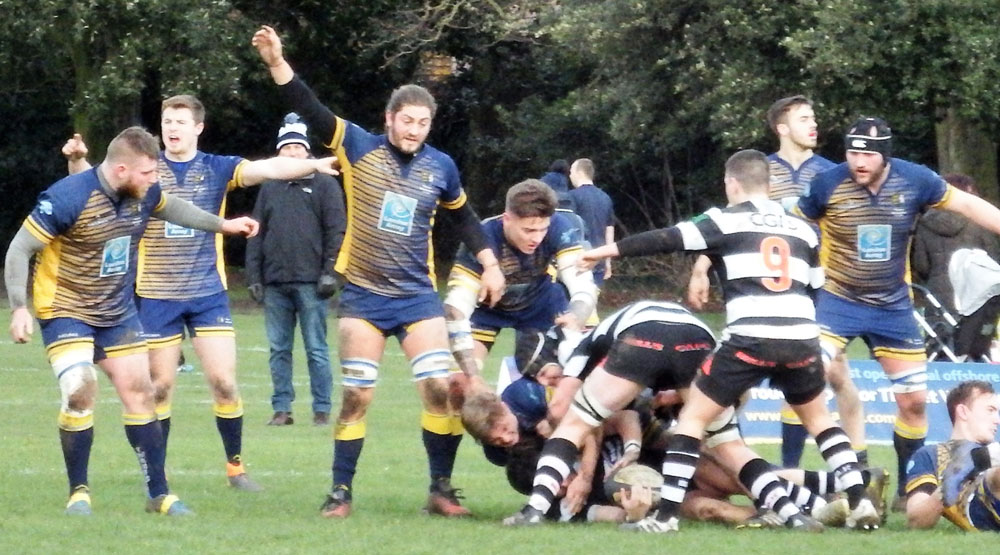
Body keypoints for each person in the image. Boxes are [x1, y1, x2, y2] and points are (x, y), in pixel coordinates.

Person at [252, 25, 505, 518]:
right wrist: (276, 63)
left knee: (440, 390)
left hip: (416, 297)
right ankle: (340, 492)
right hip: (364, 297)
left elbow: (466, 219)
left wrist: (491, 264)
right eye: (407, 120)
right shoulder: (358, 147)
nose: (414, 130)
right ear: (390, 119)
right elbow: (310, 108)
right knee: (356, 398)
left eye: (423, 123)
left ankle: (441, 489)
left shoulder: (441, 167)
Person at [575, 150, 879, 532]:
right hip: (801, 338)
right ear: (768, 185)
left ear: (731, 183)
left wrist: (604, 251)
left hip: (749, 339)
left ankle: (665, 517)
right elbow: (817, 290)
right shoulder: (803, 229)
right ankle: (859, 501)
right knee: (821, 421)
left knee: (692, 420)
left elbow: (666, 239)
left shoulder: (724, 220)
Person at [64, 98, 341, 493]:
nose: (172, 128)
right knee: (159, 388)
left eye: (180, 121)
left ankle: (236, 469)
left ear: (198, 128)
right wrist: (77, 161)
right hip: (157, 295)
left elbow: (270, 167)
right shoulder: (146, 170)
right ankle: (156, 479)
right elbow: (92, 191)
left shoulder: (217, 168)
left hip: (208, 294)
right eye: (166, 121)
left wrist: (314, 165)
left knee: (225, 383)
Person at [5, 127, 259, 516]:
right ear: (122, 170)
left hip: (116, 311)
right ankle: (79, 493)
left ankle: (159, 494)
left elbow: (173, 207)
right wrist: (19, 307)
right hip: (66, 308)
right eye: (147, 174)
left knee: (141, 393)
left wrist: (223, 225)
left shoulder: (142, 193)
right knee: (80, 389)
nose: (154, 181)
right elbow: (20, 248)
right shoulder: (68, 197)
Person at [795, 117, 1000, 509]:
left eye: (868, 154)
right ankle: (849, 472)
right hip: (837, 302)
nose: (859, 161)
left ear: (885, 156)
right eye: (853, 152)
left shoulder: (915, 180)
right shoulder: (827, 184)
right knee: (808, 380)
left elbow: (969, 205)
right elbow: (795, 224)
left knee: (914, 404)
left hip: (893, 307)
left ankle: (910, 490)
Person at [688, 95, 863, 469]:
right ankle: (767, 464)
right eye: (804, 119)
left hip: (818, 284)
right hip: (770, 289)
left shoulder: (831, 173)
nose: (814, 125)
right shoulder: (759, 171)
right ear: (781, 128)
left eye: (813, 117)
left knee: (836, 374)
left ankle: (859, 461)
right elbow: (725, 226)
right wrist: (701, 267)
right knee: (750, 379)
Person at [443, 179, 595, 390]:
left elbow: (582, 285)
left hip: (539, 305)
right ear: (506, 219)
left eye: (543, 229)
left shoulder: (560, 227)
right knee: (459, 383)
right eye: (528, 230)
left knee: (564, 377)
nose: (538, 238)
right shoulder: (481, 238)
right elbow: (454, 309)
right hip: (487, 309)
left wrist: (576, 317)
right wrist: (473, 376)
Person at [245, 113, 346, 427]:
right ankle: (282, 409)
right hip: (275, 283)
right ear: (279, 152)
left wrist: (331, 271)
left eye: (296, 148)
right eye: (286, 149)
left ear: (307, 151)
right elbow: (256, 232)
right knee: (278, 349)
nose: (291, 153)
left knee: (316, 348)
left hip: (312, 282)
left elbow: (337, 230)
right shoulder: (270, 187)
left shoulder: (325, 185)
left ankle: (322, 409)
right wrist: (253, 276)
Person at [905, 380, 1000, 530]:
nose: (997, 420)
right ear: (963, 412)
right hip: (977, 503)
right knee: (995, 475)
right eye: (990, 410)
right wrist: (945, 489)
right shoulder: (930, 454)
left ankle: (982, 459)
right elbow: (916, 521)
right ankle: (960, 475)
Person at [912, 173, 1000, 315]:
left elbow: (922, 265)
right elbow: (994, 256)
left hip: (939, 296)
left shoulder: (924, 223)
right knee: (977, 334)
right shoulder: (979, 220)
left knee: (942, 334)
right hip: (977, 293)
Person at [568, 159, 615, 286]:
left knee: (576, 303)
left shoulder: (571, 197)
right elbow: (609, 231)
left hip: (577, 262)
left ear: (579, 172)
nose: (570, 176)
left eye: (571, 171)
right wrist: (608, 262)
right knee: (592, 302)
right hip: (599, 261)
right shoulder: (605, 197)